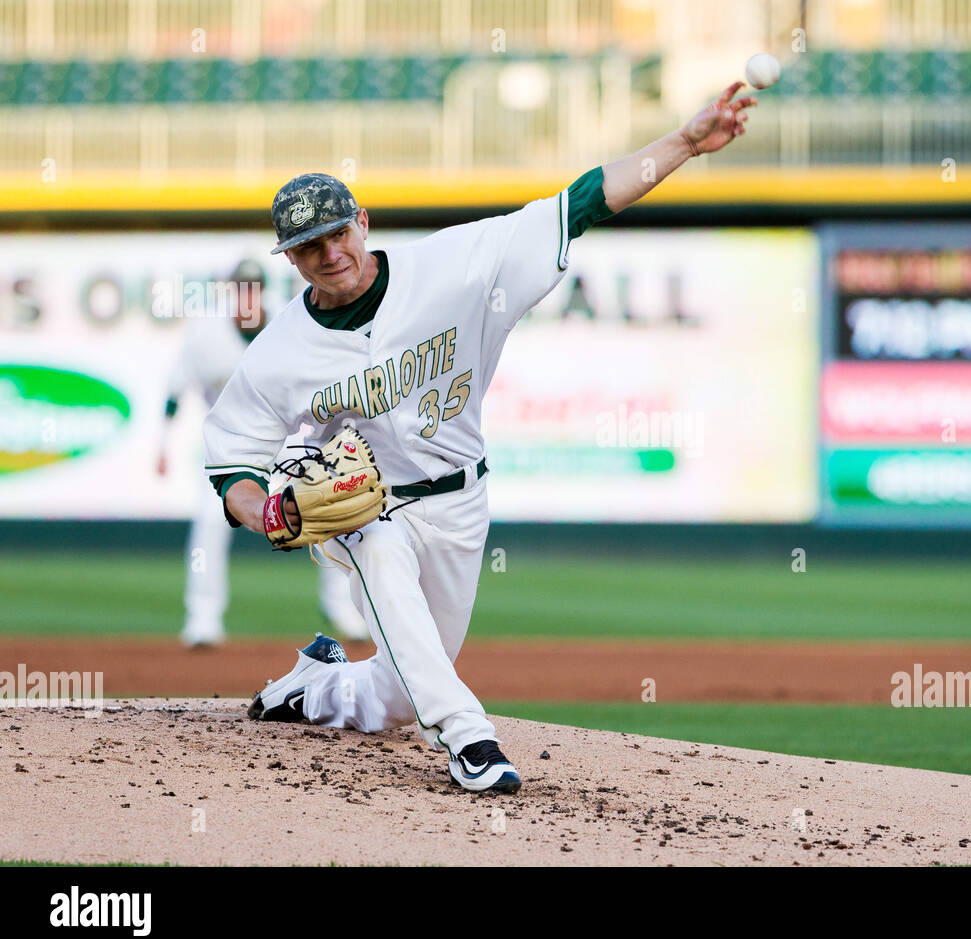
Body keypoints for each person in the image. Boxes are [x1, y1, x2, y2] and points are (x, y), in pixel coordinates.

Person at [204, 83, 755, 793]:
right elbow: (230, 461)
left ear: (362, 223)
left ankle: (311, 689)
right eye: (307, 247)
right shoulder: (279, 353)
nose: (327, 253)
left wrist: (682, 142)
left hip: (463, 501)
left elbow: (580, 203)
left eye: (336, 233)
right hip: (369, 507)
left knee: (398, 696)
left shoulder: (455, 266)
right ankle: (472, 739)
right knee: (382, 559)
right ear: (289, 258)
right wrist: (265, 512)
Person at [160, 260, 367, 647]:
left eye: (254, 287)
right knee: (209, 526)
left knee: (331, 513)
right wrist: (162, 445)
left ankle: (343, 608)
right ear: (230, 291)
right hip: (228, 447)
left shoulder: (288, 323)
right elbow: (175, 389)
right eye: (241, 288)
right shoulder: (206, 332)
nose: (248, 296)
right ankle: (203, 621)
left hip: (288, 442)